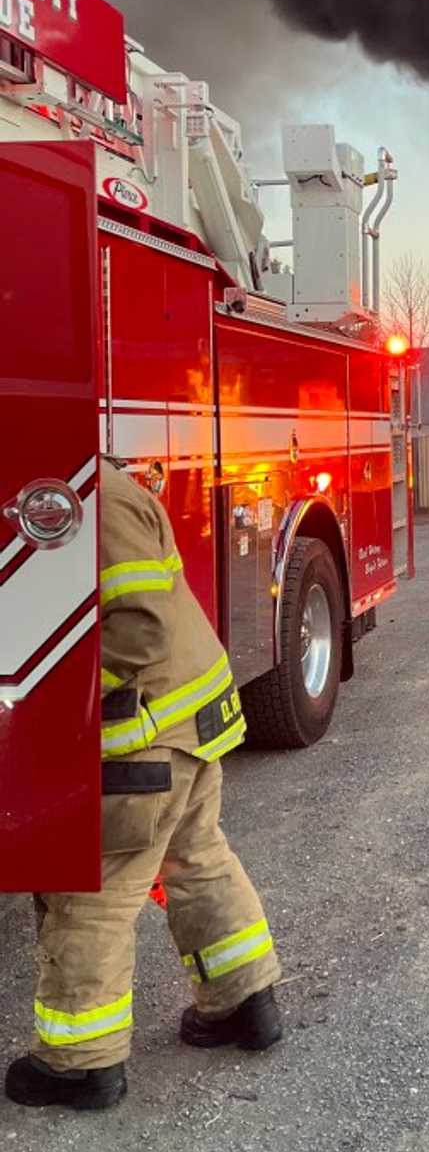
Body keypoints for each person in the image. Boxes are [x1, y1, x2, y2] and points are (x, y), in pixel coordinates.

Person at [5, 459, 283, 1111]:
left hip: (145, 734)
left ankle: (81, 1063)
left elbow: (138, 625)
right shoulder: (98, 483)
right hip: (188, 719)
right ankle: (245, 1002)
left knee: (94, 889)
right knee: (196, 858)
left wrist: (54, 705)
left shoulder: (85, 501)